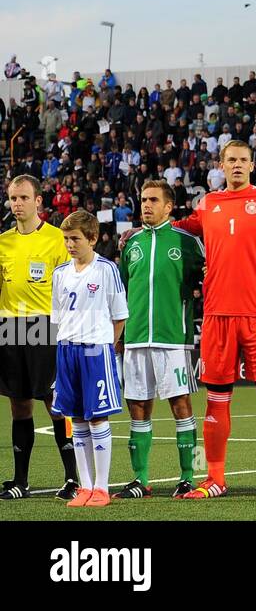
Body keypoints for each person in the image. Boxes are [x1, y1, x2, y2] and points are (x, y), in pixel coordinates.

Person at [170, 140, 256, 500]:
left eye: (243, 160)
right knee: (216, 399)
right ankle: (214, 479)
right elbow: (178, 229)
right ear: (220, 165)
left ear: (253, 165)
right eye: (231, 160)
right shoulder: (208, 203)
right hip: (216, 314)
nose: (237, 165)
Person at [115, 180, 204, 499]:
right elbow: (121, 292)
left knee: (181, 405)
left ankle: (188, 476)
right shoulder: (131, 244)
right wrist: (120, 335)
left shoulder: (188, 242)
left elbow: (207, 280)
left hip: (173, 339)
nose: (146, 205)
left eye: (153, 200)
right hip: (136, 338)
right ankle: (140, 479)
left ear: (169, 207)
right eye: (143, 200)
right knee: (137, 407)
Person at [0, 175, 81, 501]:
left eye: (22, 197)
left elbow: (71, 289)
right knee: (19, 406)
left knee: (57, 405)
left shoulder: (56, 240)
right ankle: (21, 481)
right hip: (10, 327)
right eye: (12, 198)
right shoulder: (3, 241)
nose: (16, 204)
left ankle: (73, 478)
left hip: (48, 328)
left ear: (38, 202)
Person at [50, 210, 128, 508]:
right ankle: (84, 487)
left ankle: (102, 487)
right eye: (66, 239)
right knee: (77, 418)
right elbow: (57, 318)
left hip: (96, 351)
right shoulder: (60, 273)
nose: (70, 244)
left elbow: (119, 317)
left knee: (97, 417)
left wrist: (107, 347)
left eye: (76, 239)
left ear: (92, 239)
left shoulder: (106, 270)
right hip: (67, 351)